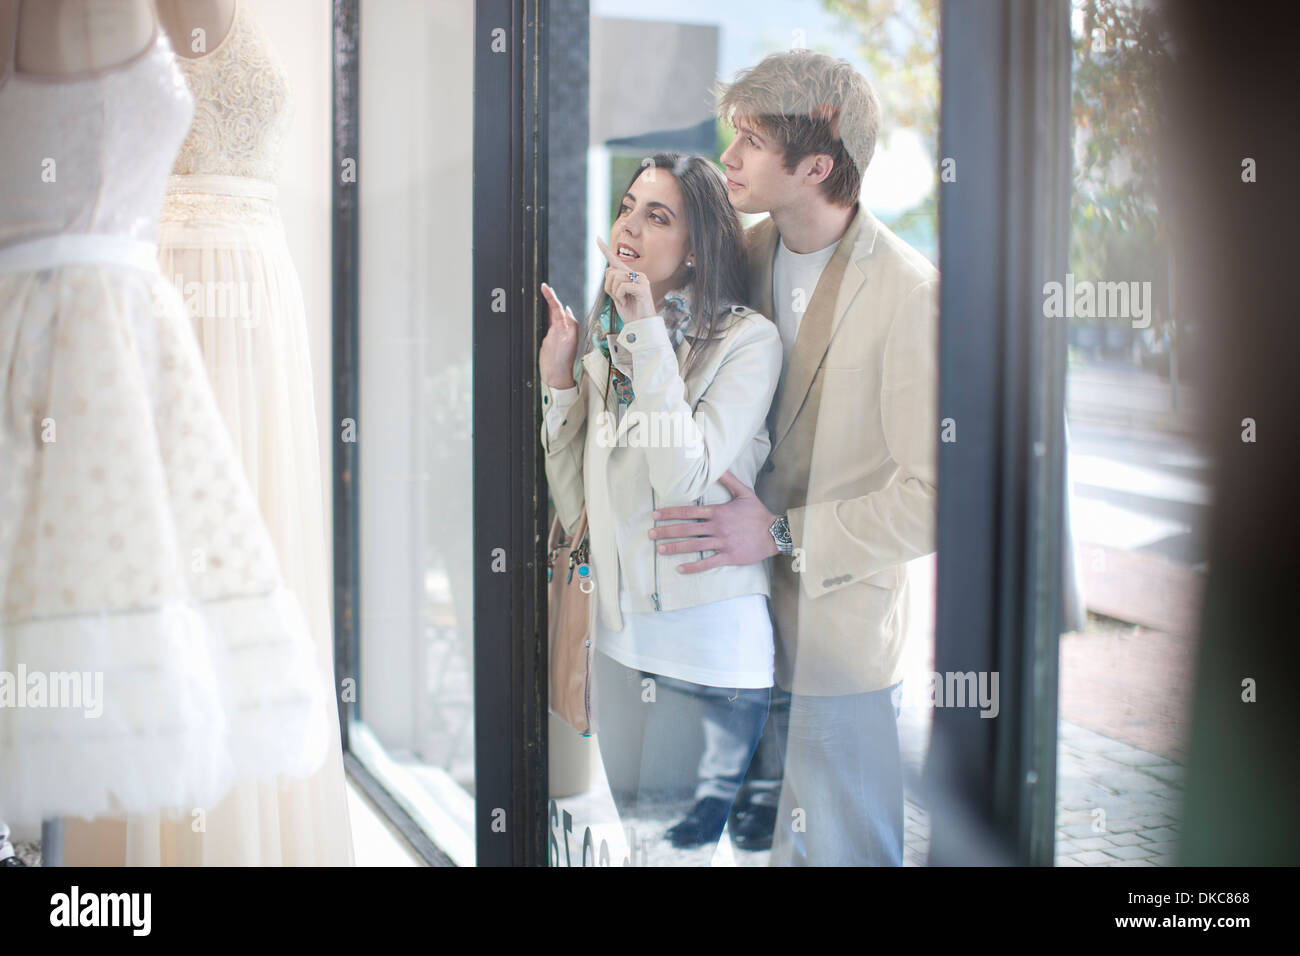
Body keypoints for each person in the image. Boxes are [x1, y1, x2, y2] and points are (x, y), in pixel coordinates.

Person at [651, 51, 940, 866]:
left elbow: (934, 498)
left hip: (835, 641)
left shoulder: (912, 295)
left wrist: (779, 534)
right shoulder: (733, 255)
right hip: (727, 621)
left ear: (817, 164)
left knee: (846, 853)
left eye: (749, 141)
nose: (728, 158)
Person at [539, 152, 782, 855]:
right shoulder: (612, 346)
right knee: (645, 850)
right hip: (617, 647)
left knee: (676, 857)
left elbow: (685, 476)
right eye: (626, 207)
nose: (631, 226)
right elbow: (579, 506)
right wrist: (560, 387)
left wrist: (644, 330)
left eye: (658, 215)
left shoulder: (747, 342)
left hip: (709, 658)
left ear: (700, 247)